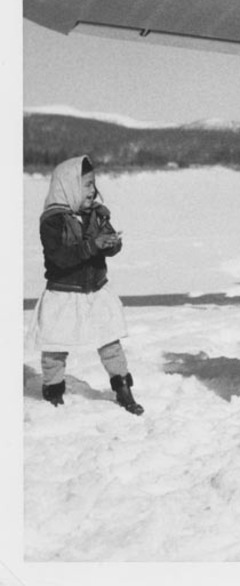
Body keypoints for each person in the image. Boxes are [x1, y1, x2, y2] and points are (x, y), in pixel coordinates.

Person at [33, 155, 144, 415]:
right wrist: (92, 246)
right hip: (63, 292)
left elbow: (109, 246)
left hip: (95, 290)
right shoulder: (52, 221)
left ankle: (123, 388)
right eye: (86, 185)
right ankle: (53, 391)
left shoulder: (96, 214)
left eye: (93, 184)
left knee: (109, 342)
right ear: (68, 185)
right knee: (54, 346)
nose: (92, 190)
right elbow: (58, 258)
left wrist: (112, 244)